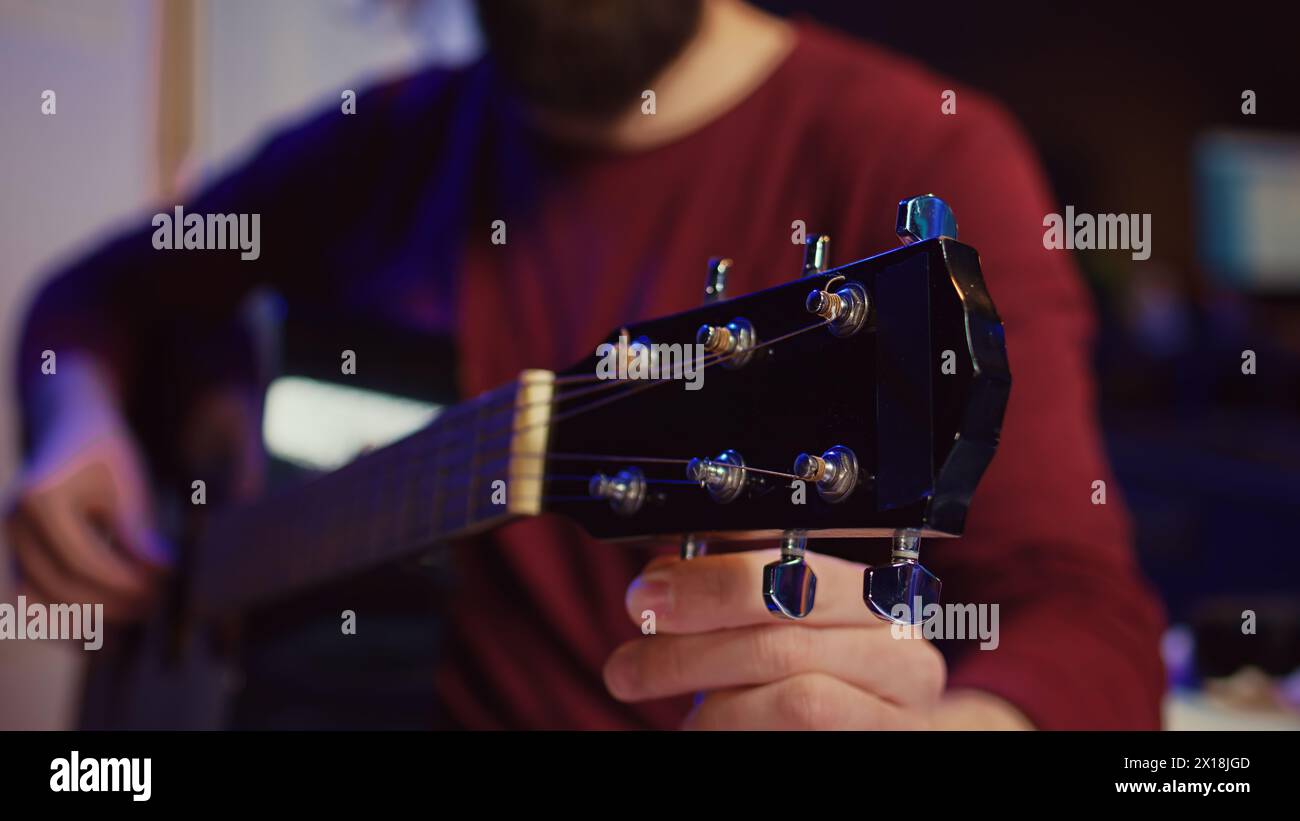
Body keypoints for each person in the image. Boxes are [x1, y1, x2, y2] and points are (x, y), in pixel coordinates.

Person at [7, 0, 1166, 729]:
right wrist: (81, 419)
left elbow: (1090, 622)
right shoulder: (392, 136)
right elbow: (86, 299)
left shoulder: (913, 151)